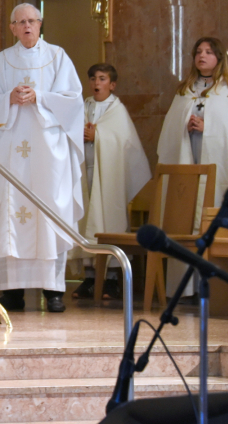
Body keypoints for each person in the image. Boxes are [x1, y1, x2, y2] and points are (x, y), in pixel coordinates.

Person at [0, 3, 84, 313]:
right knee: (9, 210)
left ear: (40, 24)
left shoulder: (58, 56)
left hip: (48, 150)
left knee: (51, 210)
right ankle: (10, 290)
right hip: (11, 148)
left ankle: (53, 290)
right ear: (12, 27)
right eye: (21, 22)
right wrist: (9, 99)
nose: (27, 26)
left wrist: (39, 97)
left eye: (32, 21)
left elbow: (73, 101)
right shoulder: (1, 61)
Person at [157, 37, 228, 297]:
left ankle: (217, 291)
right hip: (189, 169)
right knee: (187, 223)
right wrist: (184, 131)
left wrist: (210, 129)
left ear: (220, 57)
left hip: (221, 173)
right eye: (198, 51)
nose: (202, 55)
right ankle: (187, 289)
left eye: (208, 52)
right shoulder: (184, 92)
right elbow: (168, 137)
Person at [72, 63, 151, 301]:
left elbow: (126, 143)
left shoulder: (118, 111)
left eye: (103, 79)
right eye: (93, 78)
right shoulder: (80, 107)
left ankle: (113, 279)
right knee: (86, 221)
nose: (97, 83)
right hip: (83, 173)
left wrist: (99, 136)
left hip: (109, 176)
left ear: (112, 84)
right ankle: (88, 278)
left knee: (107, 220)